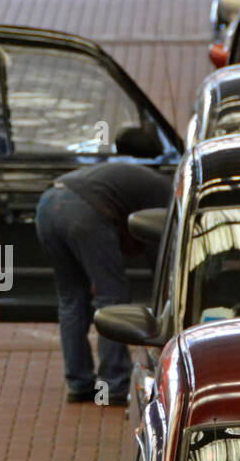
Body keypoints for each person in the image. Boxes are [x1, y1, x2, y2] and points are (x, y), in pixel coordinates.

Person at [35, 126, 171, 404]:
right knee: (113, 297)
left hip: (48, 204)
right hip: (84, 211)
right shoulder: (166, 193)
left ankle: (79, 382)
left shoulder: (126, 178)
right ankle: (114, 385)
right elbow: (159, 256)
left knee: (72, 299)